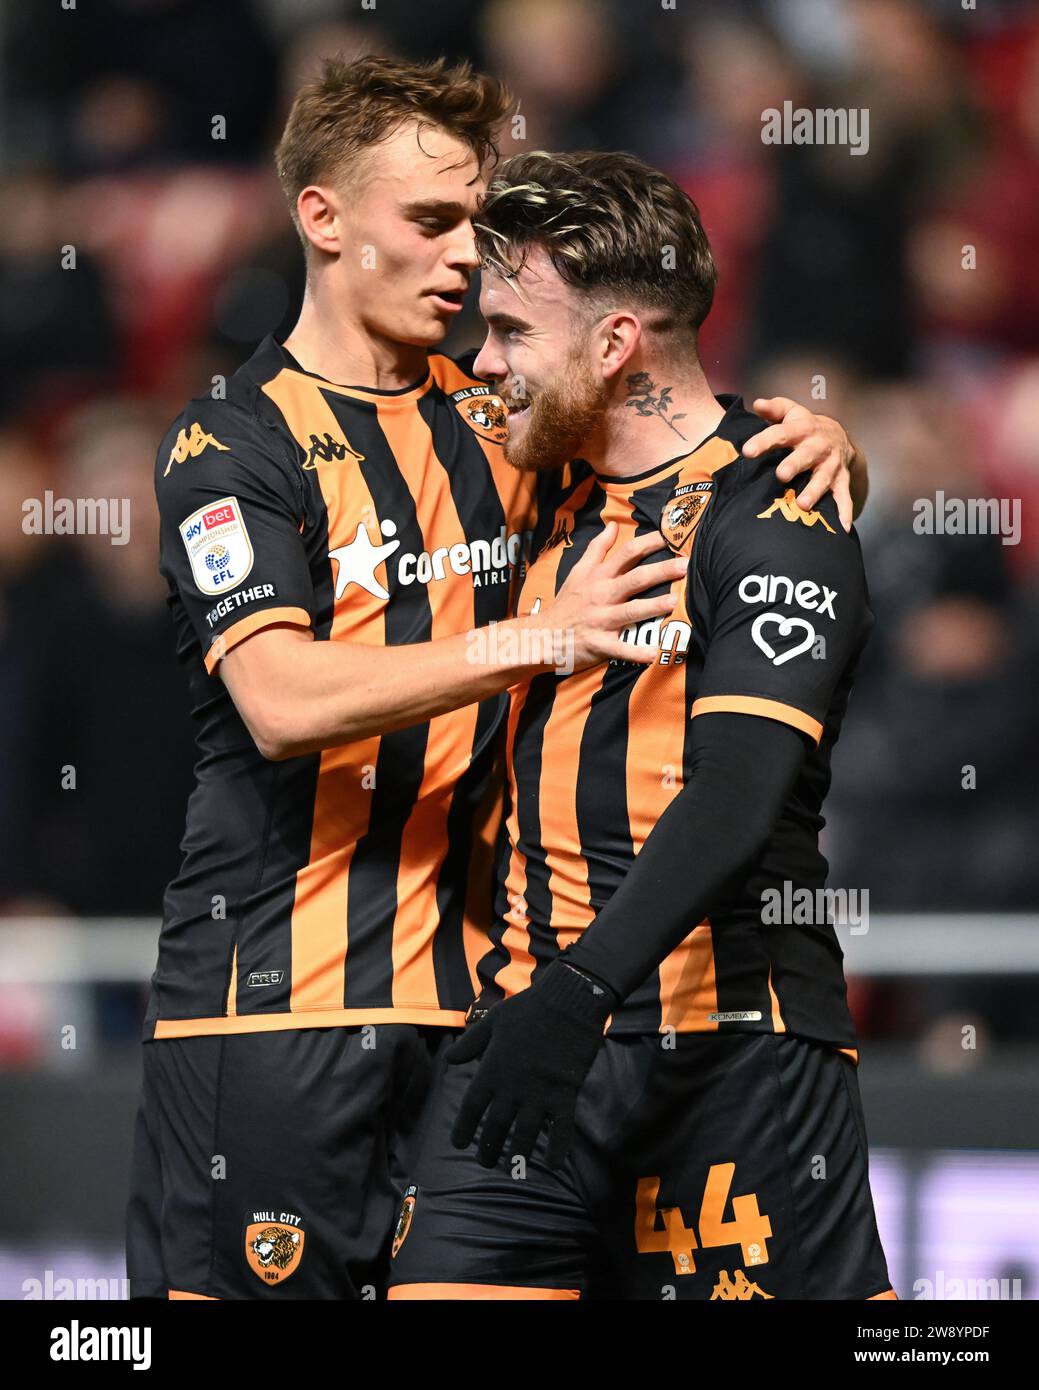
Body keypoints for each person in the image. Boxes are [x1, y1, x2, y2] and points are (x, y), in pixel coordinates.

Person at [127, 56, 869, 1301]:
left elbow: (651, 421)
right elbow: (281, 700)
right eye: (428, 224)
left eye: (476, 229)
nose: (468, 264)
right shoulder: (231, 442)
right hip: (279, 1009)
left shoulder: (500, 421)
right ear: (321, 219)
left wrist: (809, 448)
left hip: (485, 1009)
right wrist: (536, 637)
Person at [387, 150, 893, 1301]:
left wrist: (583, 989)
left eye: (511, 330)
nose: (484, 359)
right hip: (520, 1051)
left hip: (726, 1046)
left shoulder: (777, 510)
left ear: (615, 345)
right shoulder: (533, 481)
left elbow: (738, 786)